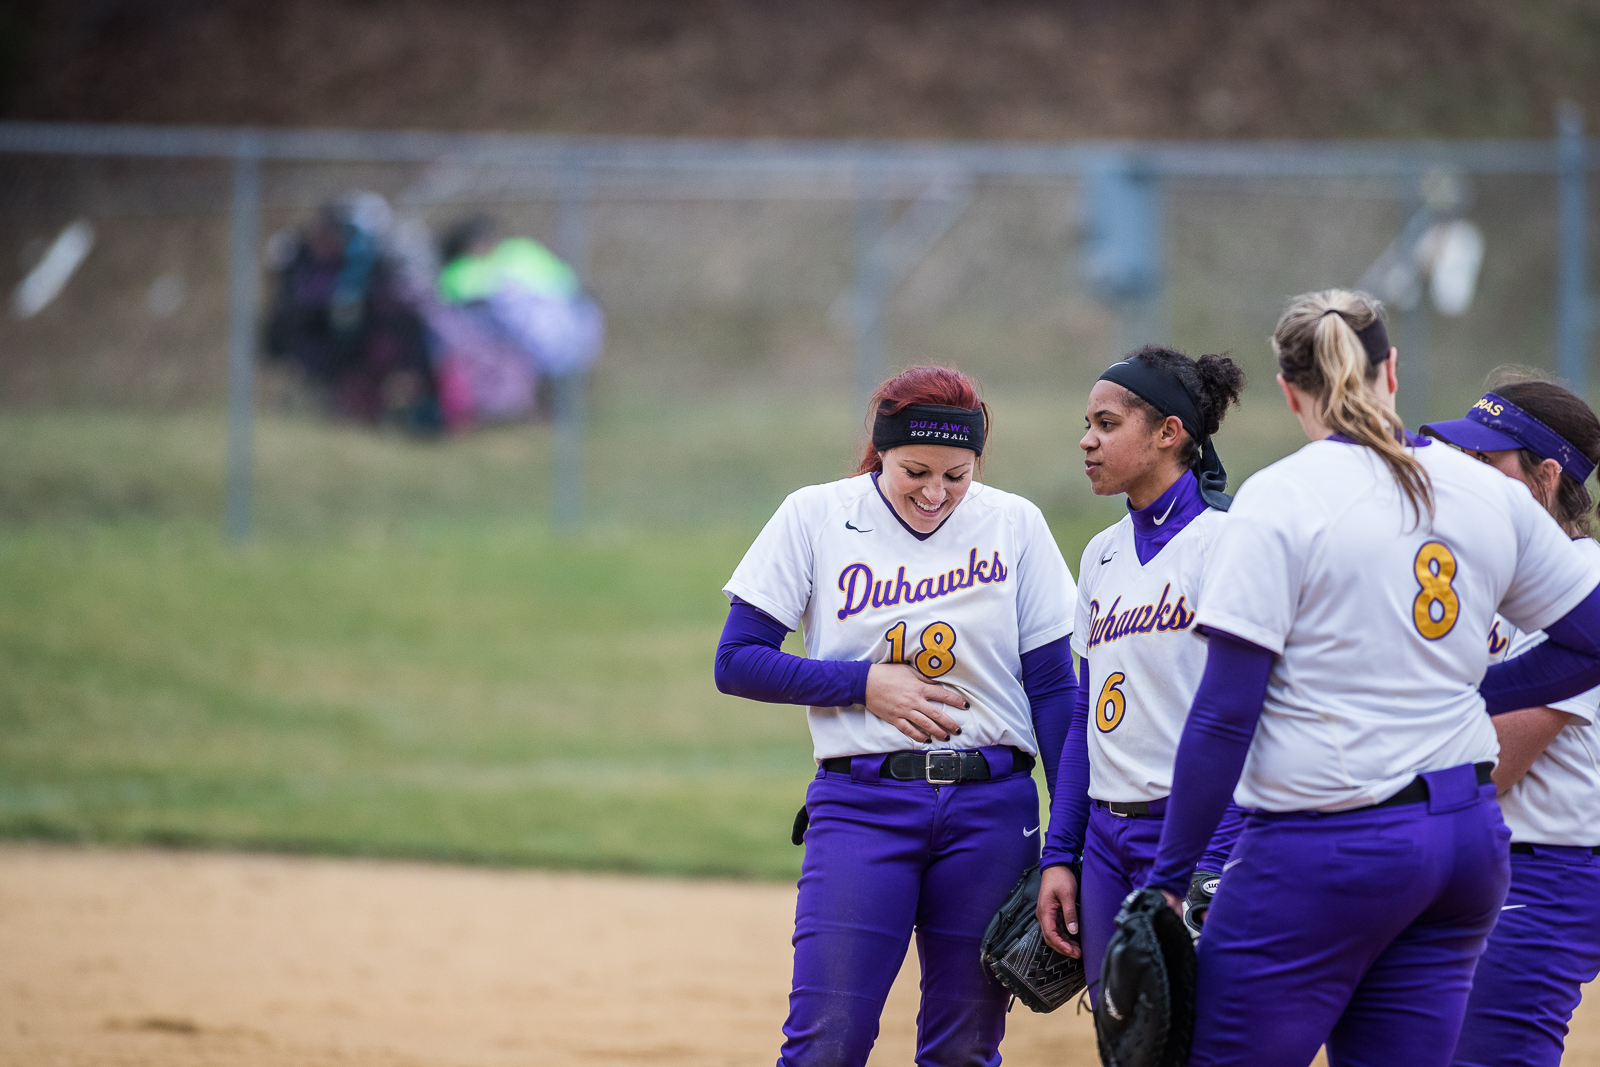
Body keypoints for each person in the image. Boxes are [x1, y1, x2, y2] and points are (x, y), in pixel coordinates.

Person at [1142, 289, 1600, 1067]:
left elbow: (1225, 712)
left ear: (1289, 391)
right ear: (1392, 368)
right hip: (1464, 844)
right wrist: (1467, 695)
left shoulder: (1283, 495)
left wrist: (1169, 874)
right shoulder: (1486, 493)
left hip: (1334, 840)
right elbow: (1591, 640)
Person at [713, 365, 1078, 1067]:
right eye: (915, 469)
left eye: (957, 473)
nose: (936, 492)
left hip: (993, 811)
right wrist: (862, 684)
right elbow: (737, 659)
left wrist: (1068, 835)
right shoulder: (816, 515)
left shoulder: (1014, 523)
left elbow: (1055, 690)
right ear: (881, 449)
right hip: (862, 804)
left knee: (966, 1049)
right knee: (826, 1041)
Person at [1034, 345, 1248, 989]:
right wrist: (1059, 855)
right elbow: (1086, 717)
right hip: (1105, 840)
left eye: (1107, 424)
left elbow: (1252, 717)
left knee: (1200, 1036)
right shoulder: (1101, 554)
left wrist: (1214, 858)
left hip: (1196, 832)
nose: (1086, 441)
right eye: (1089, 425)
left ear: (1167, 432)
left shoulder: (1231, 541)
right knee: (1126, 1036)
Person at [1420, 379, 1600, 1067]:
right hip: (1470, 859)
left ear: (1546, 478)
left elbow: (1491, 767)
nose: (1464, 477)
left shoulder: (1581, 584)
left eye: (1486, 462)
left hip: (1542, 873)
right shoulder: (1488, 585)